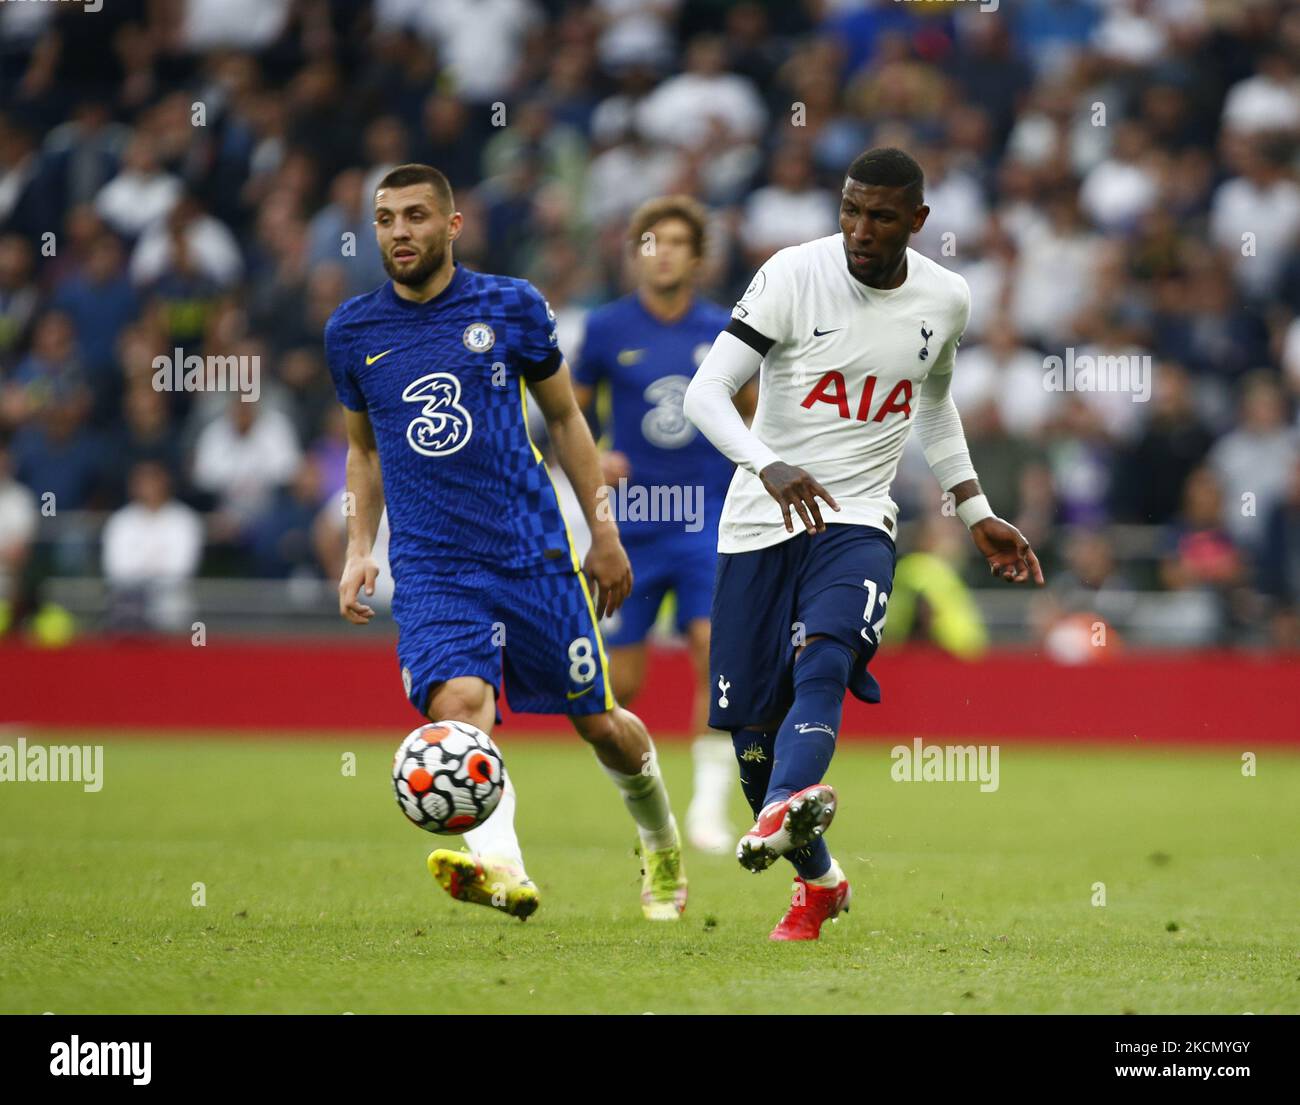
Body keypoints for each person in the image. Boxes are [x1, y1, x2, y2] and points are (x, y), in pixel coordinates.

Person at [683, 147, 1044, 941]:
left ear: (917, 222)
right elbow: (703, 393)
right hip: (756, 523)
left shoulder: (945, 298)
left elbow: (934, 404)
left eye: (880, 215)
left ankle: (788, 800)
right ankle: (819, 880)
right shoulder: (791, 275)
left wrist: (973, 505)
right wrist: (766, 463)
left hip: (855, 522)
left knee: (828, 655)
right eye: (849, 209)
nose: (859, 229)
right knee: (750, 742)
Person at [325, 164, 685, 923]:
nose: (399, 231)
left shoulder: (512, 306)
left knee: (602, 727)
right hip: (432, 566)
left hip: (534, 556)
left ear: (452, 226)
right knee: (461, 705)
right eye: (386, 218)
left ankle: (661, 841)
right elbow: (362, 451)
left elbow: (565, 421)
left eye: (416, 216)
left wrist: (604, 532)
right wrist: (363, 546)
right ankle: (502, 868)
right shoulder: (353, 331)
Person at [573, 194, 745, 854]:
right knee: (625, 681)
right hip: (634, 525)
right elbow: (568, 413)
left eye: (676, 241)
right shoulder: (608, 328)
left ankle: (707, 809)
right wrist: (596, 455)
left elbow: (756, 410)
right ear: (636, 254)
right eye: (651, 241)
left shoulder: (725, 327)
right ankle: (646, 802)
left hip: (707, 517)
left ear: (697, 257)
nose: (663, 251)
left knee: (713, 650)